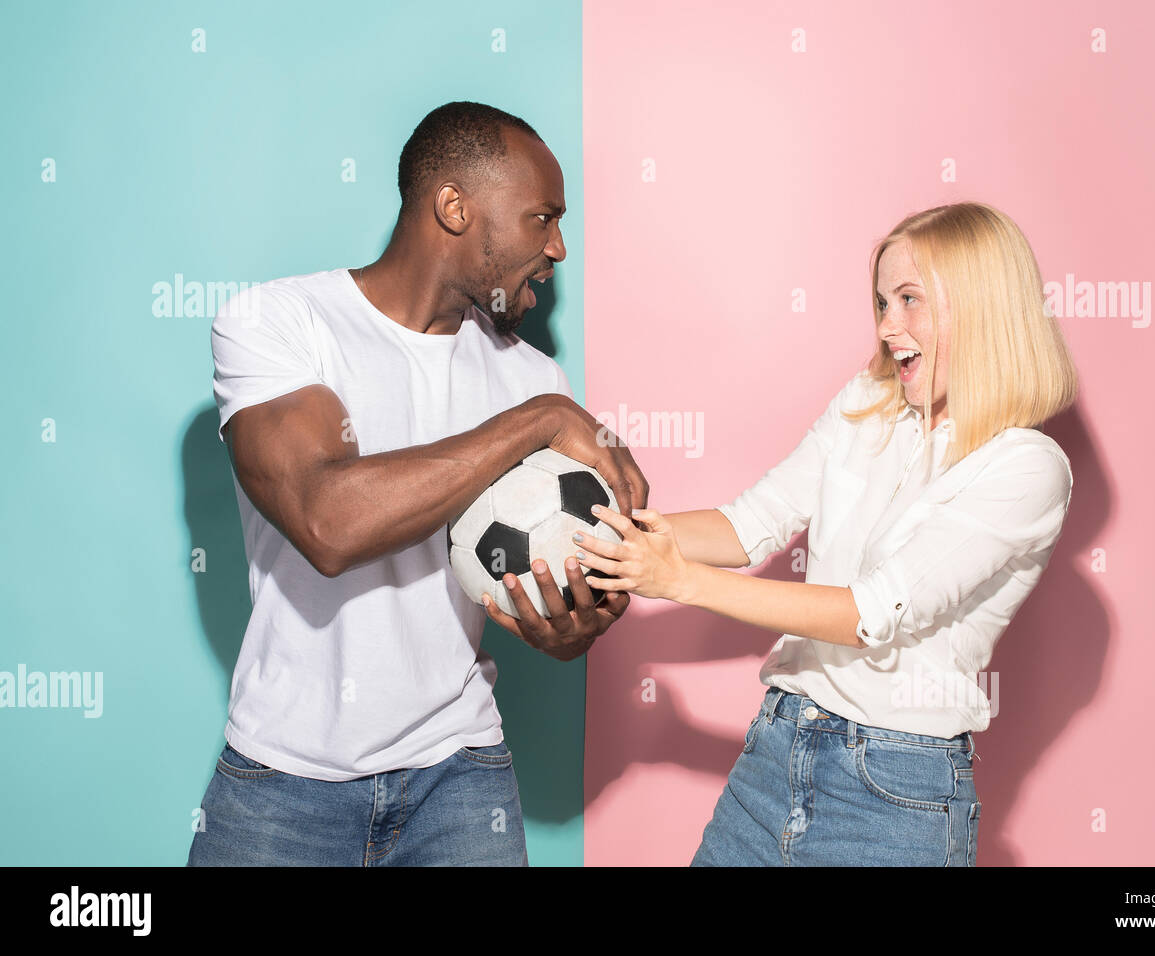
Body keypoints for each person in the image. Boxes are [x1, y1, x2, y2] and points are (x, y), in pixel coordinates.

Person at [187, 102, 648, 867]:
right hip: (285, 779)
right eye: (542, 218)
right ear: (454, 207)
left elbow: (534, 586)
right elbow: (328, 521)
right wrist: (533, 422)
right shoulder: (279, 323)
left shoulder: (532, 377)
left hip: (460, 778)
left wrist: (574, 620)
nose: (558, 248)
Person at [574, 201, 1078, 866]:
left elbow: (871, 613)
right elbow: (750, 523)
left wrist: (678, 582)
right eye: (880, 303)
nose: (887, 326)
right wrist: (611, 531)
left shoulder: (1026, 469)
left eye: (909, 300)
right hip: (777, 750)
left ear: (980, 306)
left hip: (895, 793)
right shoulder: (864, 405)